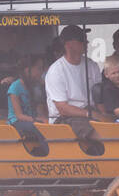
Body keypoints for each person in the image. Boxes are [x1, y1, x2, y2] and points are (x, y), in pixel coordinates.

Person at [44, 24, 105, 155]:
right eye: (82, 39)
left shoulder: (92, 65)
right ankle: (111, 152)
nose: (87, 42)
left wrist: (104, 116)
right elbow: (62, 108)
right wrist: (90, 114)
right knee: (103, 133)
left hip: (89, 111)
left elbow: (99, 95)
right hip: (63, 118)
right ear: (68, 45)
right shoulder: (56, 71)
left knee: (113, 123)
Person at [7, 55, 50, 157]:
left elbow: (40, 110)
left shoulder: (36, 87)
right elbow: (19, 115)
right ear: (27, 70)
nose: (41, 72)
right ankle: (48, 154)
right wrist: (37, 121)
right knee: (39, 128)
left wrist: (45, 119)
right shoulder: (15, 87)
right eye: (39, 69)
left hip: (33, 119)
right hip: (17, 122)